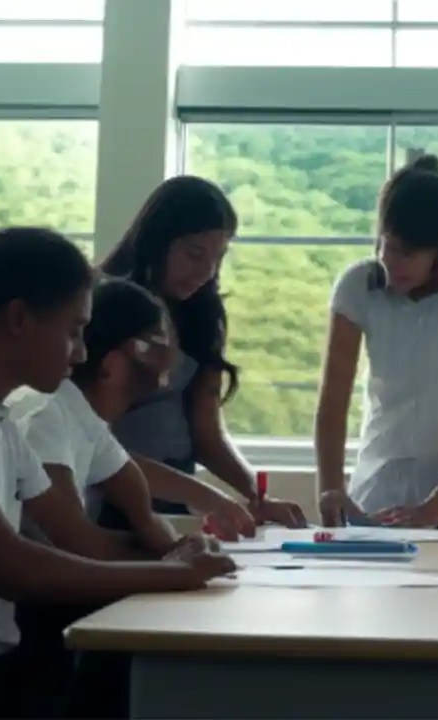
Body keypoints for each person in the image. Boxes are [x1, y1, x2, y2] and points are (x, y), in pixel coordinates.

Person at [0, 227, 235, 719]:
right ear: (18, 319)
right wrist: (171, 573)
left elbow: (77, 541)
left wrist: (178, 555)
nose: (82, 352)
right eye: (73, 331)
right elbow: (8, 566)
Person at [11, 278, 260, 717]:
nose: (172, 361)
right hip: (28, 623)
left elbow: (132, 484)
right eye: (158, 345)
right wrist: (173, 562)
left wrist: (201, 522)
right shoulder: (47, 415)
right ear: (113, 363)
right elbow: (75, 541)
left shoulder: (80, 415)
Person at [314, 152, 438, 530]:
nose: (392, 262)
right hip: (375, 494)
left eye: (407, 254)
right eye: (388, 246)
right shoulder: (358, 285)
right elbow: (332, 404)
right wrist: (329, 489)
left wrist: (433, 509)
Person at [100, 176, 306, 528]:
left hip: (175, 491)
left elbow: (206, 432)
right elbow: (91, 443)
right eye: (195, 254)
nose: (206, 271)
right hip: (106, 490)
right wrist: (211, 499)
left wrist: (257, 498)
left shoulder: (203, 314)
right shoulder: (101, 301)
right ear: (156, 240)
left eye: (218, 257)